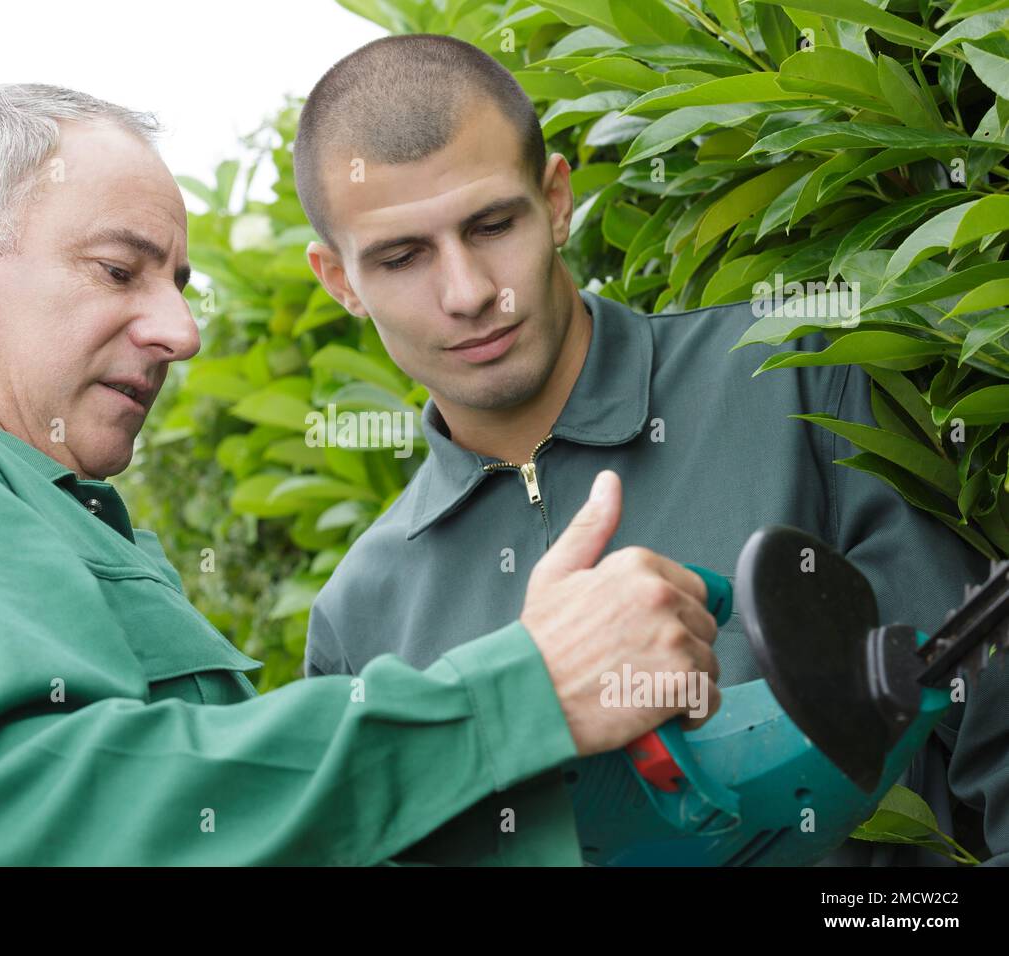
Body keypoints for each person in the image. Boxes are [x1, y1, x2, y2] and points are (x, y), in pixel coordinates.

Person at [0, 83, 719, 866]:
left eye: (179, 284)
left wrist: (570, 732)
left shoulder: (50, 518)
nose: (181, 331)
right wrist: (517, 690)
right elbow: (26, 832)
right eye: (118, 269)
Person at [298, 35, 1006, 866]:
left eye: (492, 225)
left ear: (557, 200)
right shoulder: (356, 620)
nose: (469, 294)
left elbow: (992, 720)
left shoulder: (796, 378)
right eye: (401, 256)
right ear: (339, 281)